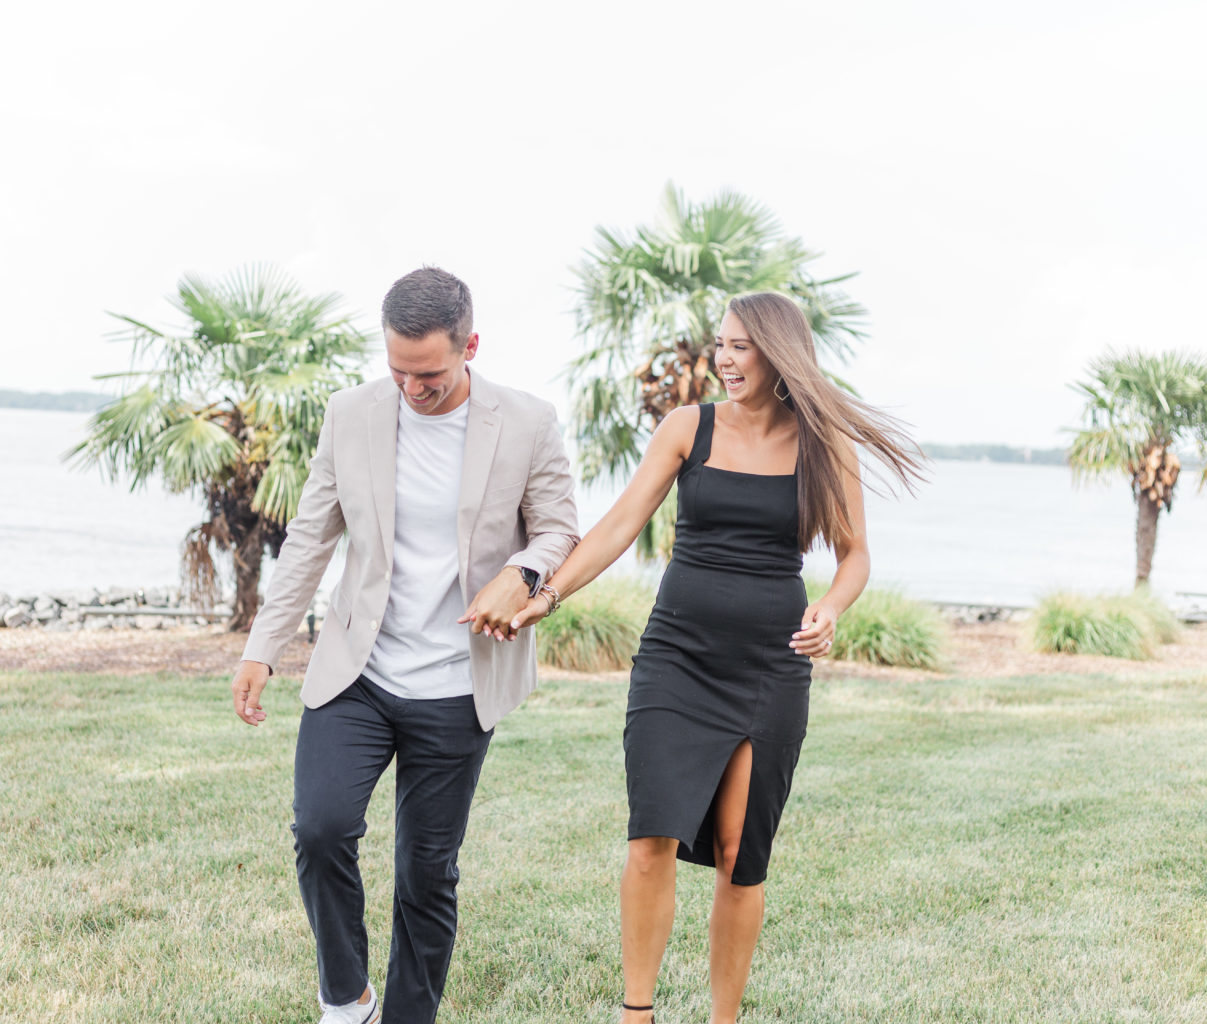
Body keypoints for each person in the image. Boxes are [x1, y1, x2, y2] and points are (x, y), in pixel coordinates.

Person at [509, 291, 922, 1024]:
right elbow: (619, 524)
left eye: (741, 347)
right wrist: (551, 593)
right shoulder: (687, 428)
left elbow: (855, 555)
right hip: (677, 659)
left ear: (779, 354)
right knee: (651, 837)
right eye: (721, 345)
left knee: (740, 854)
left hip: (770, 668)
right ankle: (637, 1014)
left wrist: (830, 608)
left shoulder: (824, 444)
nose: (724, 360)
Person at [229, 267, 580, 1024]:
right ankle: (346, 998)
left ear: (469, 347)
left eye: (429, 375)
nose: (412, 389)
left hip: (458, 683)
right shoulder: (350, 413)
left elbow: (560, 529)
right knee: (320, 829)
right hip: (359, 672)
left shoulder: (527, 422)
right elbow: (310, 540)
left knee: (426, 872)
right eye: (398, 371)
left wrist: (521, 572)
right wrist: (263, 646)